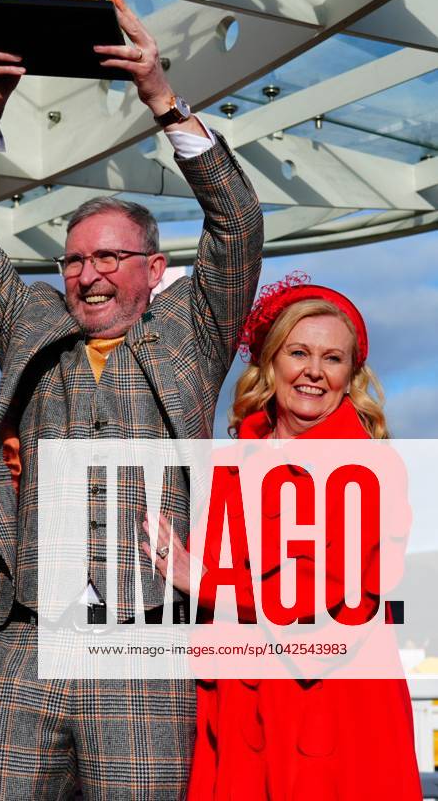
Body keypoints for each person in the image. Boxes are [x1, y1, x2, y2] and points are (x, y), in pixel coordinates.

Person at [0, 0, 264, 799]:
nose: (89, 273)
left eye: (111, 257)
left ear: (153, 270)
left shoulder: (193, 331)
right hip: (22, 646)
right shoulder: (31, 323)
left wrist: (160, 98)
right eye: (75, 260)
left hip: (142, 653)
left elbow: (238, 225)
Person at [147, 274, 422, 800]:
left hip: (327, 707)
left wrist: (201, 583)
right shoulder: (235, 461)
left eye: (333, 359)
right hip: (237, 706)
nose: (314, 372)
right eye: (299, 352)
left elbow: (327, 596)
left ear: (351, 375)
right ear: (271, 362)